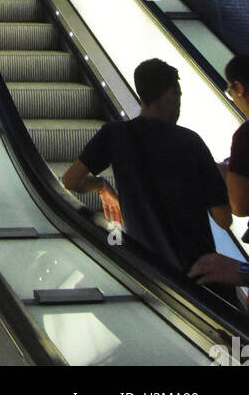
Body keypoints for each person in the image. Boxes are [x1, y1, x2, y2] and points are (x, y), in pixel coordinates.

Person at [62, 59, 232, 281]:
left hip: (148, 272)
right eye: (179, 95)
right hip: (199, 274)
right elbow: (224, 219)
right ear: (170, 94)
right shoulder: (191, 142)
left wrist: (102, 187)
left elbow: (70, 180)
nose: (179, 103)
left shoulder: (114, 135)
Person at [219, 53, 249, 218]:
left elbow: (239, 205)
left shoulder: (245, 136)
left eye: (230, 91)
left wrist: (222, 174)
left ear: (239, 88)